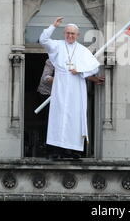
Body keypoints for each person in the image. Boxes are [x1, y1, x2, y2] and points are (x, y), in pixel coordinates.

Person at [39, 16, 101, 160]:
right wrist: (53, 26)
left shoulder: (83, 50)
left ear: (77, 35)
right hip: (60, 86)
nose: (70, 36)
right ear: (64, 33)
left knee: (74, 117)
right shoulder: (58, 45)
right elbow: (43, 40)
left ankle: (73, 151)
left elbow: (94, 67)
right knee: (58, 116)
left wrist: (79, 70)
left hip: (76, 88)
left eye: (73, 33)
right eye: (68, 33)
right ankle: (55, 150)